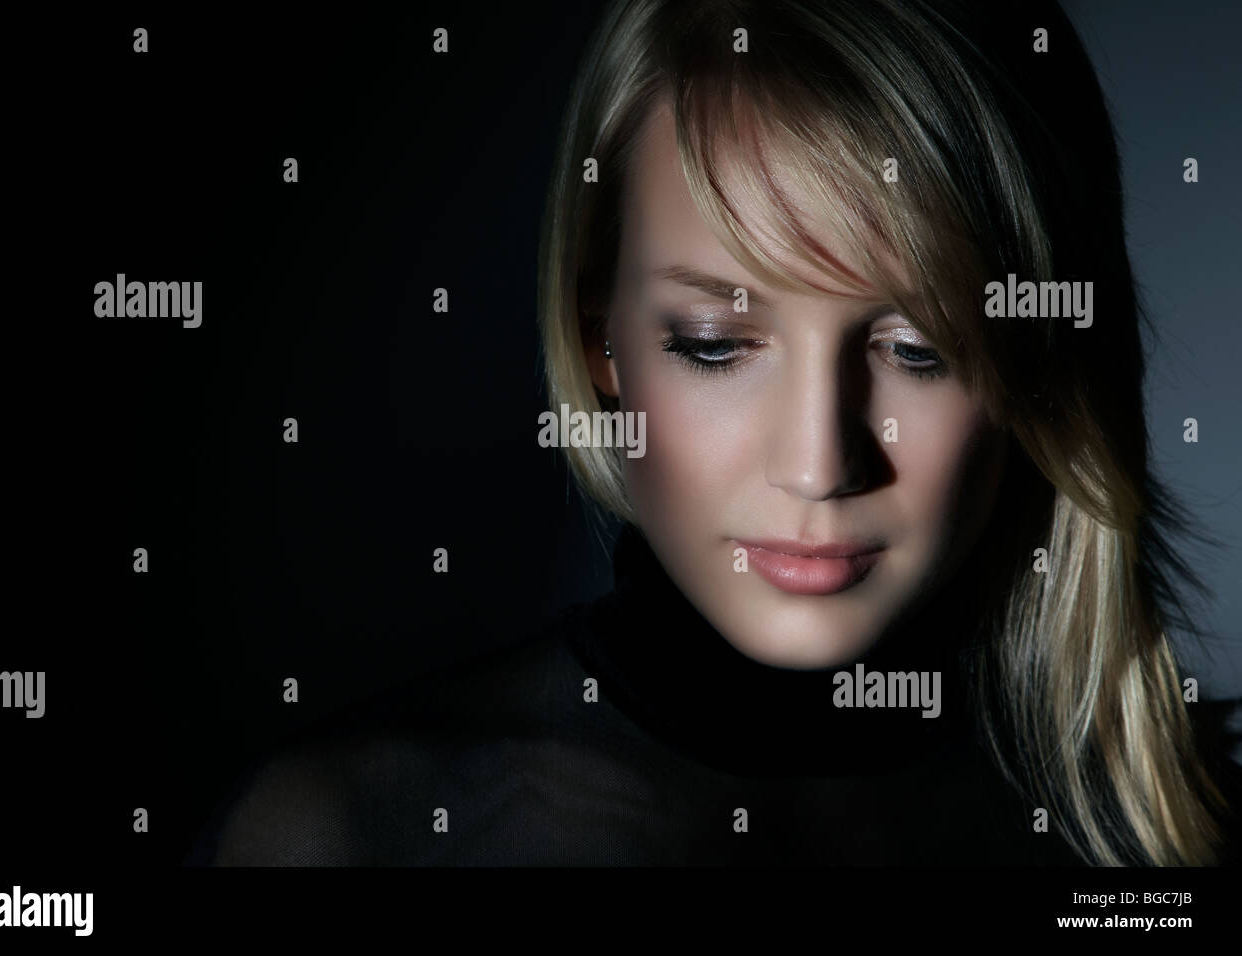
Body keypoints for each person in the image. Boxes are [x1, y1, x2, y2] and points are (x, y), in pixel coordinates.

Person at [188, 0, 1239, 866]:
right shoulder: (353, 831)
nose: (819, 463)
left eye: (920, 350)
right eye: (714, 341)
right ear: (599, 336)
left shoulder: (1176, 831)